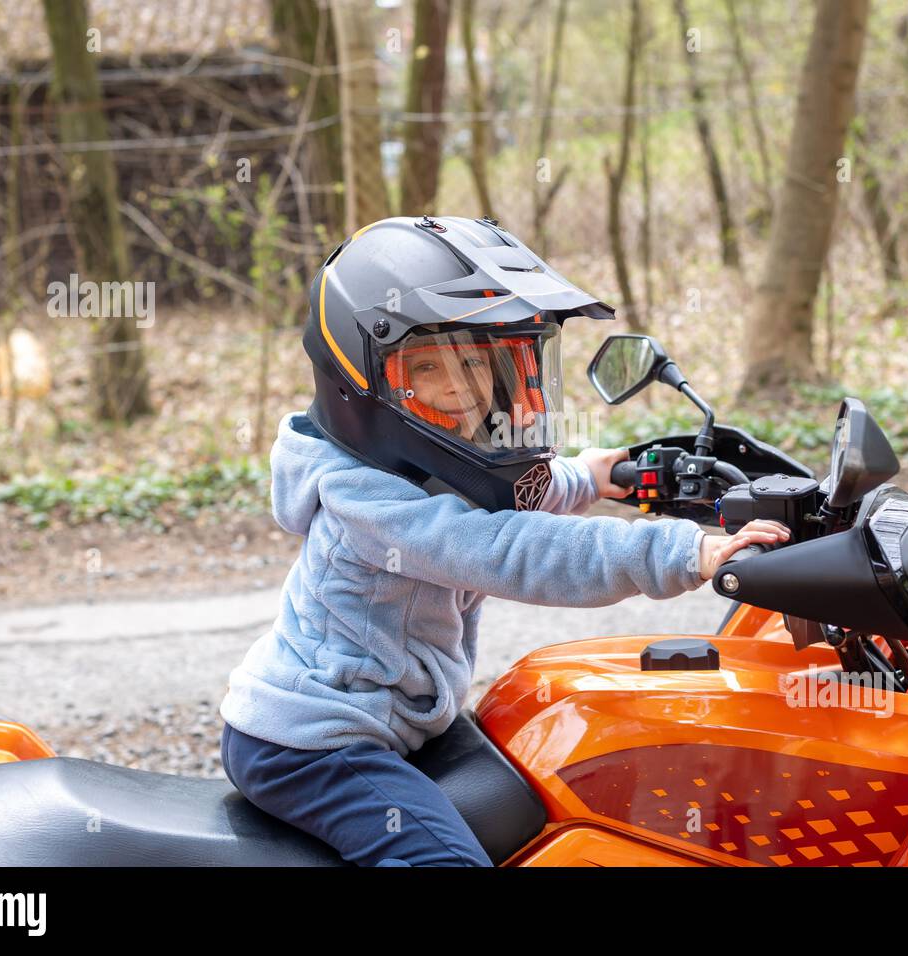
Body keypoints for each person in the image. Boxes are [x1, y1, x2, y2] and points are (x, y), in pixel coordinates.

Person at [218, 216, 788, 866]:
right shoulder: (366, 501)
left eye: (479, 362)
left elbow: (512, 492)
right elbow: (508, 547)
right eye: (427, 366)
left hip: (388, 719)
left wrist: (594, 476)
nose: (461, 388)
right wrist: (689, 554)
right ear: (361, 379)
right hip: (310, 742)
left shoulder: (427, 461)